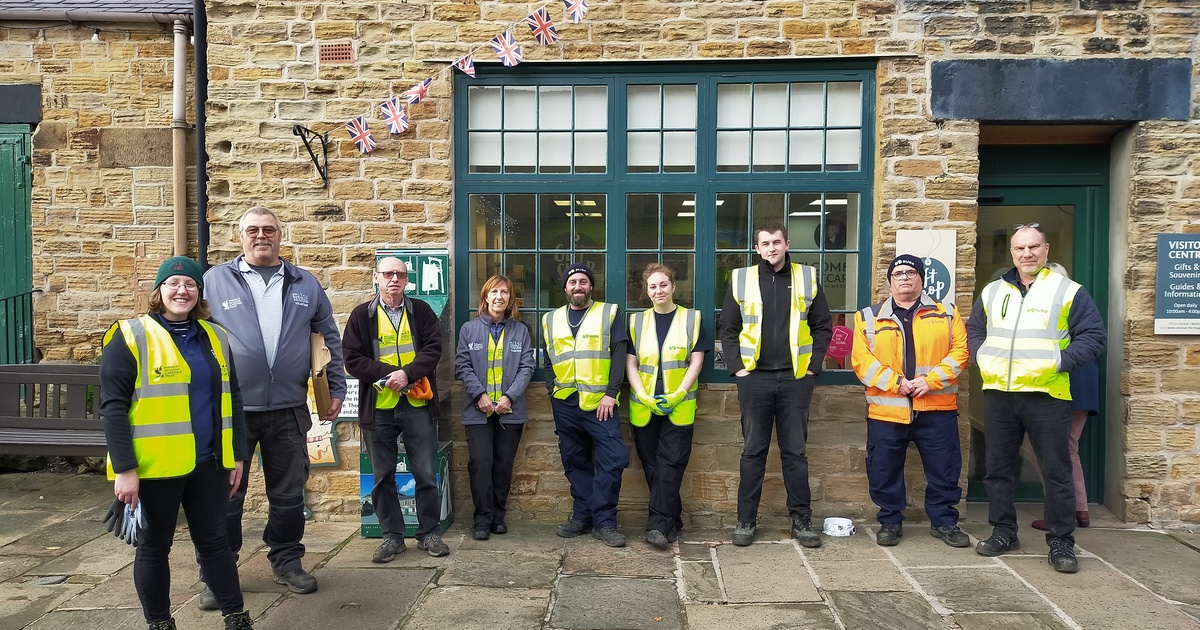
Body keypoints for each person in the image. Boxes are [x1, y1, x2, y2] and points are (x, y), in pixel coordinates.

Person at [100, 256, 254, 630]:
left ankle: (236, 618)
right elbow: (113, 408)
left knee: (216, 545)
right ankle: (160, 623)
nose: (182, 291)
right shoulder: (130, 335)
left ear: (199, 292)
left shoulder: (216, 336)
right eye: (173, 283)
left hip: (209, 465)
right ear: (158, 291)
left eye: (190, 284)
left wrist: (235, 457)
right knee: (154, 549)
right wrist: (125, 470)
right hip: (154, 469)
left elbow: (232, 397)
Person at [201, 207, 346, 600]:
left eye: (269, 230)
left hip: (288, 409)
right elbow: (193, 337)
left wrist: (336, 389)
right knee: (225, 496)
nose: (261, 236)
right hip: (232, 412)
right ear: (240, 235)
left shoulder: (305, 283)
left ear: (280, 236)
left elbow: (327, 338)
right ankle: (219, 569)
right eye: (252, 230)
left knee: (288, 495)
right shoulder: (214, 281)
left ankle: (286, 562)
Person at [967, 224, 1106, 573]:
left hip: (1046, 393)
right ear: (1012, 253)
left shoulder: (1068, 290)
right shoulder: (993, 291)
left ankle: (1061, 540)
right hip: (1000, 393)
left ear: (1046, 250)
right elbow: (974, 329)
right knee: (998, 470)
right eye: (1019, 249)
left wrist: (1061, 361)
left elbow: (1093, 336)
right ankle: (1003, 532)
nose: (1026, 254)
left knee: (1056, 471)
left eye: (1033, 247)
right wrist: (980, 355)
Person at [719, 222, 832, 547]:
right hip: (754, 379)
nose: (771, 248)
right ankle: (746, 521)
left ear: (787, 244)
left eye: (777, 242)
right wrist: (738, 369)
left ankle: (801, 520)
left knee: (795, 453)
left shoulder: (806, 277)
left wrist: (812, 368)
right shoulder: (742, 279)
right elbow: (727, 327)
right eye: (765, 243)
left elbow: (822, 325)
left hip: (796, 379)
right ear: (757, 248)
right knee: (753, 451)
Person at [851, 254, 970, 548]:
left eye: (910, 272)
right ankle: (890, 521)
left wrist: (928, 382)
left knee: (944, 468)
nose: (904, 278)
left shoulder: (947, 313)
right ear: (890, 281)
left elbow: (960, 354)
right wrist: (897, 383)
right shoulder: (867, 317)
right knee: (884, 469)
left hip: (936, 409)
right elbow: (861, 362)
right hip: (887, 412)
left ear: (921, 278)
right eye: (898, 274)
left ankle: (944, 522)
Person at [343, 256, 449, 560]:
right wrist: (388, 373)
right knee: (382, 476)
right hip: (379, 408)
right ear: (376, 278)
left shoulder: (422, 311)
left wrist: (408, 374)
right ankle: (392, 536)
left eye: (400, 275)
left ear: (407, 281)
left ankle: (429, 533)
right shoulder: (362, 315)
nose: (394, 279)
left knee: (426, 473)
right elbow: (352, 358)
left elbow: (433, 349)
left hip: (417, 404)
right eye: (388, 274)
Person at [543, 262, 631, 547]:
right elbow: (547, 360)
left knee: (614, 458)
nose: (578, 286)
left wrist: (611, 393)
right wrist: (550, 388)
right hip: (565, 403)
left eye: (583, 281)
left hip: (600, 403)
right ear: (565, 288)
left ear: (591, 286)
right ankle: (583, 516)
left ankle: (605, 522)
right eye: (572, 282)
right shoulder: (550, 319)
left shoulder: (609, 312)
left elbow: (620, 355)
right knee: (575, 462)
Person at [625, 263, 710, 549]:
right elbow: (631, 364)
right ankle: (673, 520)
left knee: (670, 465)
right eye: (652, 286)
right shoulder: (636, 322)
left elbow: (696, 361)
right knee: (652, 466)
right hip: (644, 406)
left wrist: (678, 393)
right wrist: (643, 394)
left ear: (673, 286)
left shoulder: (692, 319)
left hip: (679, 405)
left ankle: (658, 526)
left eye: (663, 284)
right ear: (646, 291)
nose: (658, 290)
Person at [455, 275, 536, 540]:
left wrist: (510, 397)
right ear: (485, 297)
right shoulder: (469, 329)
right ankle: (481, 519)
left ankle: (498, 517)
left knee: (502, 465)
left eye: (505, 292)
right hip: (477, 409)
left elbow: (527, 367)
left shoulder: (521, 331)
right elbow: (462, 366)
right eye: (494, 292)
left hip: (509, 410)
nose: (499, 297)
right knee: (480, 463)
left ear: (510, 298)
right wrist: (479, 395)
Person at [1030, 263, 1100, 531]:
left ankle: (1065, 511)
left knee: (1054, 453)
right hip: (1082, 388)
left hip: (1064, 386)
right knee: (1067, 449)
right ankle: (1078, 508)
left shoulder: (1056, 310)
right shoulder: (1081, 308)